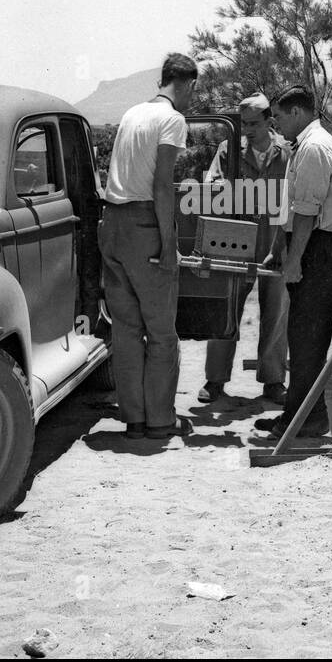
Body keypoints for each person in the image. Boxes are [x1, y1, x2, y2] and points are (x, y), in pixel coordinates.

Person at [99, 53, 198, 439]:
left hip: (112, 224)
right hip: (144, 225)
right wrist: (170, 244)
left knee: (125, 330)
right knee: (160, 332)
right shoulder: (172, 119)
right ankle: (160, 421)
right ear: (188, 83)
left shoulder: (131, 114)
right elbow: (161, 185)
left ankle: (134, 419)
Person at [254, 84, 332, 439]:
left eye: (280, 117)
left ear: (297, 113)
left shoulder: (314, 148)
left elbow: (306, 213)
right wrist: (278, 251)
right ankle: (299, 415)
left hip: (323, 247)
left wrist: (295, 259)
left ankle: (306, 419)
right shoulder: (305, 145)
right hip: (317, 244)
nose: (276, 125)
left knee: (307, 336)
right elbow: (292, 207)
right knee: (303, 336)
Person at [198, 93, 291, 405]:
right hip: (239, 234)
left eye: (253, 123)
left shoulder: (286, 151)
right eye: (243, 124)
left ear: (269, 120)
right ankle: (215, 380)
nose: (248, 129)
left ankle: (274, 381)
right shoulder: (229, 150)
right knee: (227, 305)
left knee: (277, 310)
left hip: (275, 236)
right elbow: (213, 186)